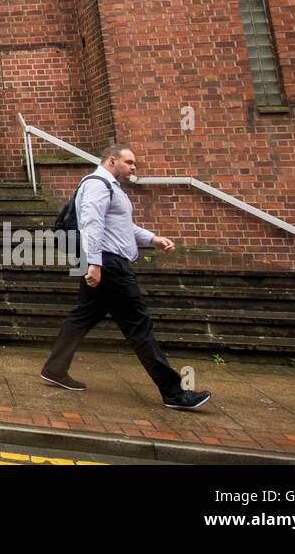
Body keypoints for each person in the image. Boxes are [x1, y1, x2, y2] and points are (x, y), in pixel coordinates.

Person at [40, 144, 211, 411]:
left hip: (106, 261)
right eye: (129, 162)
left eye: (134, 164)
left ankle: (54, 368)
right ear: (112, 160)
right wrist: (94, 263)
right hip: (109, 264)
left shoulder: (112, 187)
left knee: (82, 316)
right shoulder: (99, 184)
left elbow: (122, 226)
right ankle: (174, 393)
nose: (133, 168)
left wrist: (152, 238)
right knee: (138, 325)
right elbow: (91, 224)